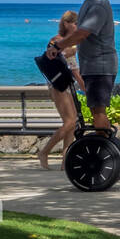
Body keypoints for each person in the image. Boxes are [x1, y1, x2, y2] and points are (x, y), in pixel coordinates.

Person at [47, 0, 117, 131]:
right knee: (95, 110)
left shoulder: (99, 4)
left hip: (100, 66)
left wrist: (58, 47)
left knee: (98, 112)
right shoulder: (89, 2)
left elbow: (82, 33)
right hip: (92, 66)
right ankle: (105, 149)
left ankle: (104, 154)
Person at [37, 10, 86, 168]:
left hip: (68, 85)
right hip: (57, 85)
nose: (77, 26)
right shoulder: (56, 41)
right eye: (75, 23)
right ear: (66, 24)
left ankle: (65, 162)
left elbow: (74, 69)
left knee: (72, 123)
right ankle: (44, 151)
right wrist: (69, 50)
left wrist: (84, 87)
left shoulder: (72, 44)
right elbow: (53, 58)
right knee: (70, 121)